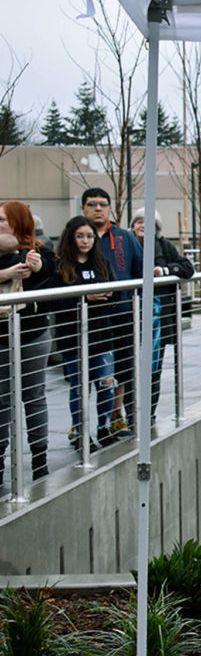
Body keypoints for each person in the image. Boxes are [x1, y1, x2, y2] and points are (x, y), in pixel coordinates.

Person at [0, 201, 58, 482]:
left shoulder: (39, 251)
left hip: (32, 334)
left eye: (2, 220)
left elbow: (57, 282)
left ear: (18, 222)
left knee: (33, 397)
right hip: (1, 337)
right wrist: (5, 275)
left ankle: (39, 460)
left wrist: (38, 270)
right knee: (1, 401)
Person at [80, 188, 142, 439]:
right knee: (86, 372)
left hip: (123, 313)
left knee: (123, 367)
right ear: (83, 208)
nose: (98, 208)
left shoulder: (125, 238)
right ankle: (81, 423)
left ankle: (116, 416)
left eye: (103, 204)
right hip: (87, 318)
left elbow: (140, 270)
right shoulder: (77, 236)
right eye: (92, 204)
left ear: (110, 208)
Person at [54, 216, 118, 453]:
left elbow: (118, 292)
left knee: (105, 383)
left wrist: (108, 294)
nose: (85, 241)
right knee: (79, 387)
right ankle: (81, 433)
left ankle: (104, 427)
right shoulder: (61, 266)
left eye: (90, 236)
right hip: (74, 338)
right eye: (80, 236)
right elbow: (57, 301)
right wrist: (84, 297)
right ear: (71, 238)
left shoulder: (102, 264)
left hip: (102, 334)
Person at [131, 209, 194, 423]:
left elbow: (187, 268)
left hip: (158, 319)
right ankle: (128, 416)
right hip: (130, 316)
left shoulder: (165, 247)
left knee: (153, 368)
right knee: (129, 368)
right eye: (139, 221)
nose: (142, 225)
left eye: (148, 222)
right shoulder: (124, 245)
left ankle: (148, 414)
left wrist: (164, 271)